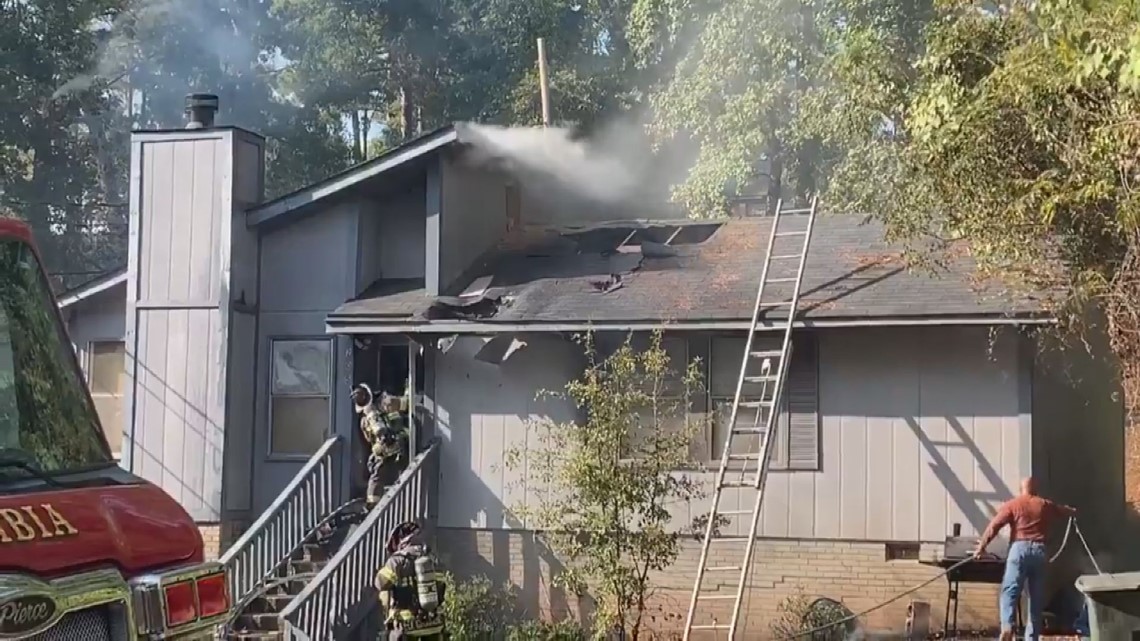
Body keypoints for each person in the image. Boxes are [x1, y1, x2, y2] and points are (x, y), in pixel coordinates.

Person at [973, 477, 1077, 641]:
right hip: (1039, 551)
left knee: (1010, 591)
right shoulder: (1044, 504)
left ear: (1021, 489)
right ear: (1035, 489)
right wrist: (1071, 511)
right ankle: (1031, 638)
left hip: (1018, 549)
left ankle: (1007, 627)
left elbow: (994, 526)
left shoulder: (1013, 505)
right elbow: (1060, 510)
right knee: (1036, 599)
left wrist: (981, 547)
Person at [375, 521, 445, 640]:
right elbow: (442, 586)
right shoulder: (433, 559)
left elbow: (380, 583)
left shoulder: (397, 560)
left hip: (407, 625)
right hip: (433, 624)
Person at [353, 383, 409, 507]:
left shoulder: (387, 402)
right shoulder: (366, 419)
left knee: (400, 472)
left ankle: (401, 503)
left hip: (402, 442)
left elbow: (407, 404)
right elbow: (371, 435)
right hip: (386, 448)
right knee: (378, 474)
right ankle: (372, 505)